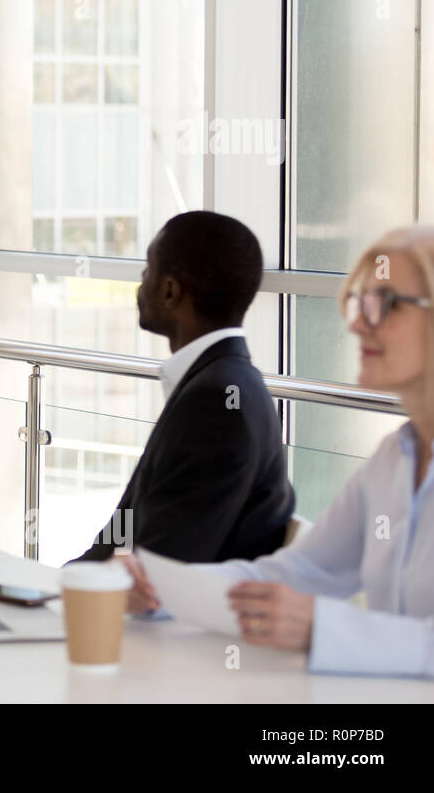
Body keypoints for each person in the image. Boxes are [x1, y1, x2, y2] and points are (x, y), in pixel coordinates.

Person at [125, 225, 434, 678]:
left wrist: (325, 628)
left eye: (384, 303)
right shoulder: (394, 459)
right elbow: (297, 572)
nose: (355, 323)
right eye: (357, 301)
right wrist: (160, 587)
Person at [72, 211, 294, 562]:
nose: (142, 279)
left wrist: (74, 590)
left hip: (180, 612)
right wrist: (68, 579)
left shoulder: (216, 403)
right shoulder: (221, 381)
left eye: (149, 268)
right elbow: (127, 524)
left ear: (170, 291)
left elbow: (165, 564)